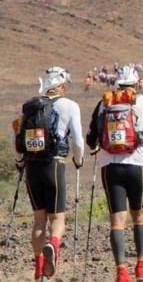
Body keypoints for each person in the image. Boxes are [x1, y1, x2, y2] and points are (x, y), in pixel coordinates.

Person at [85, 65, 143, 282]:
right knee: (139, 213)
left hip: (110, 165)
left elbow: (90, 139)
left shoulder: (103, 103)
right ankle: (141, 267)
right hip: (138, 164)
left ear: (117, 82)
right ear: (137, 82)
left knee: (117, 219)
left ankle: (121, 272)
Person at [11, 67, 84, 280]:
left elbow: (14, 139)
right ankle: (53, 245)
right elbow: (78, 142)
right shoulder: (70, 106)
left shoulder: (28, 108)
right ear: (61, 86)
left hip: (32, 167)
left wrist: (19, 161)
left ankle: (38, 269)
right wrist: (78, 161)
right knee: (58, 219)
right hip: (55, 165)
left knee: (39, 220)